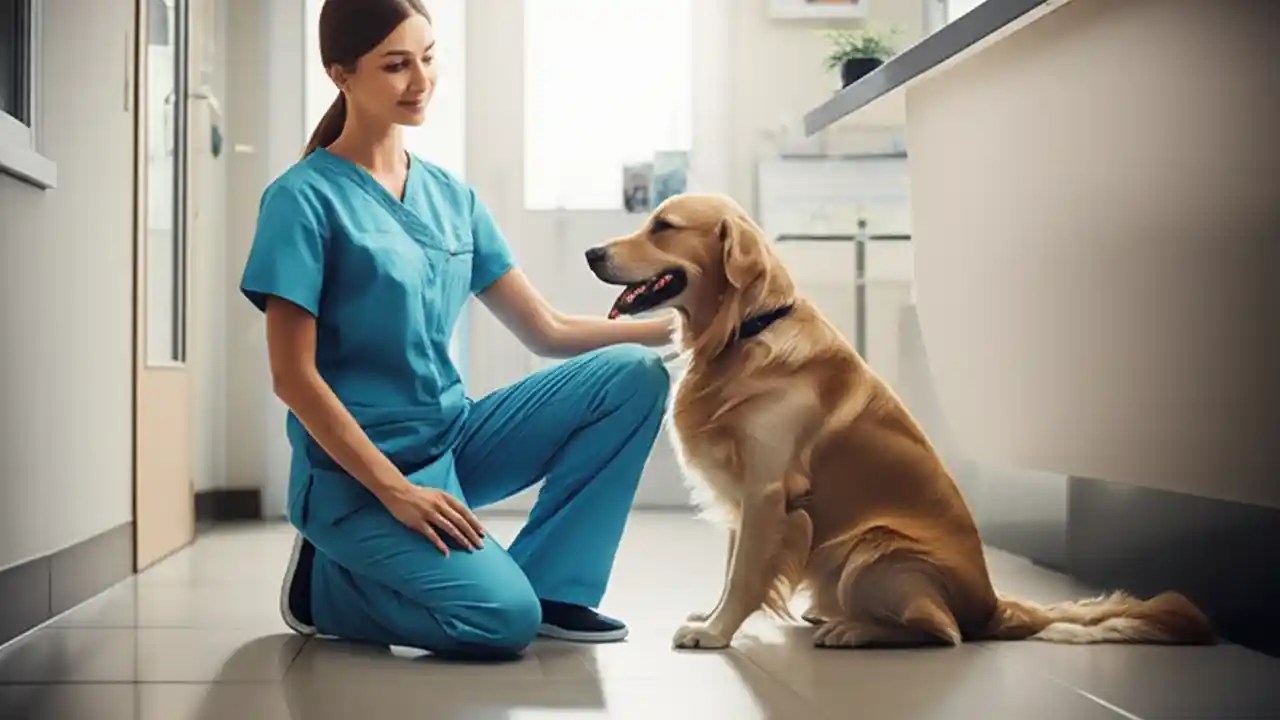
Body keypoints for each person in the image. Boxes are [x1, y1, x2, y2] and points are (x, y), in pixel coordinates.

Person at [239, 0, 673, 659]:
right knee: (500, 623)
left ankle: (553, 588)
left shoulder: (452, 198)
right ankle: (324, 587)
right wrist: (396, 491)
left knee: (631, 376)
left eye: (429, 57)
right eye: (395, 65)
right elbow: (292, 377)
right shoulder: (302, 199)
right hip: (357, 477)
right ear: (341, 74)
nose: (420, 81)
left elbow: (547, 329)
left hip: (452, 441)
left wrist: (686, 328)